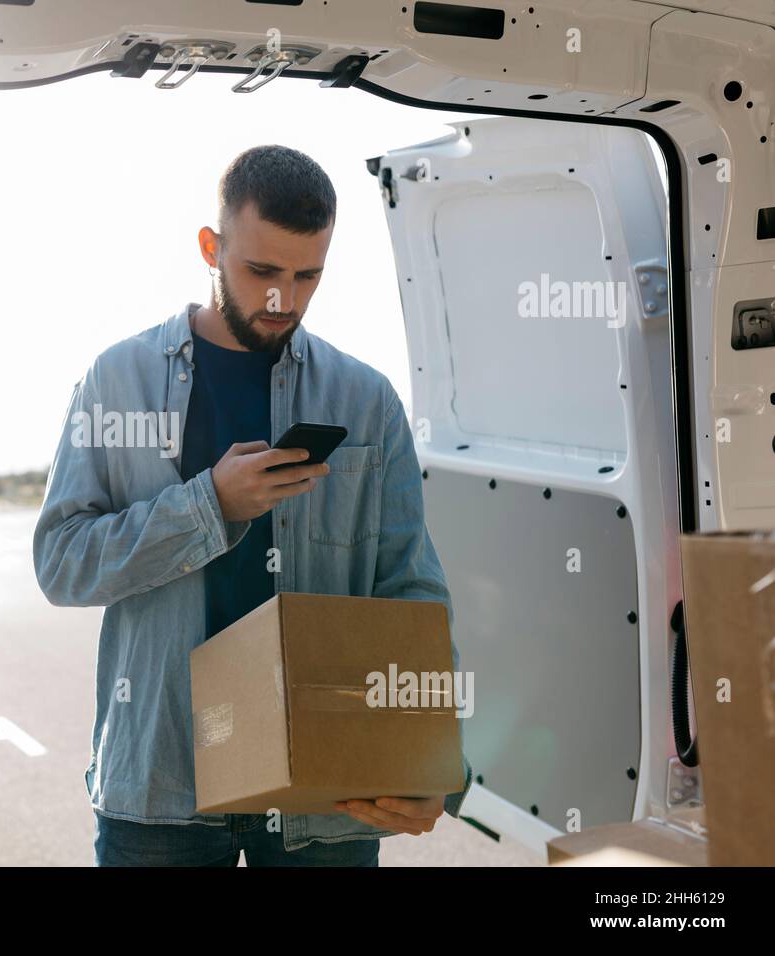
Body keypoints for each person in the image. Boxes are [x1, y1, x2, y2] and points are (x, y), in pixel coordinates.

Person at [33, 144, 471, 867]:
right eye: (262, 271)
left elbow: (411, 591)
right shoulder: (116, 381)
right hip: (162, 787)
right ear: (211, 248)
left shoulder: (366, 401)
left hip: (323, 791)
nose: (284, 300)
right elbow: (61, 565)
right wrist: (210, 505)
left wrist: (435, 759)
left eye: (308, 276)